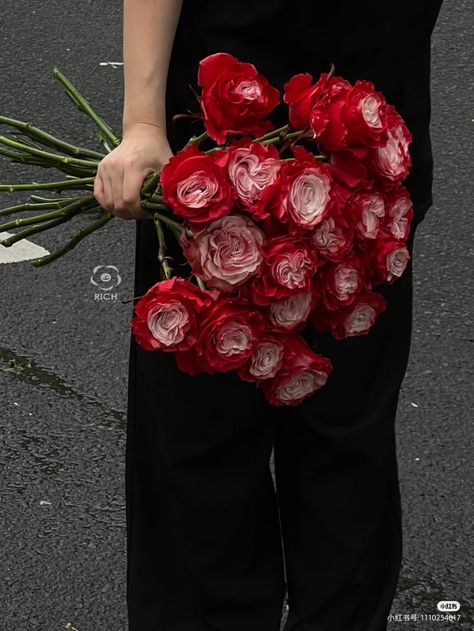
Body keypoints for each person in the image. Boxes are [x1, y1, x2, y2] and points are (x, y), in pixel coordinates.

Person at [93, 1, 444, 629]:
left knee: (344, 445)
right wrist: (143, 123)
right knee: (202, 444)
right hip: (223, 129)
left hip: (370, 125)